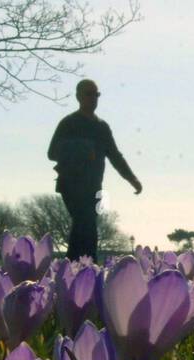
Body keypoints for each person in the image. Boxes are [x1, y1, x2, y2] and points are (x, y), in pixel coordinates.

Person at [46, 79, 142, 260]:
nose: (93, 98)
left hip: (94, 186)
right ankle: (75, 270)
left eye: (96, 94)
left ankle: (87, 271)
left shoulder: (102, 127)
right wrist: (82, 147)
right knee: (83, 224)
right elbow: (52, 153)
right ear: (78, 97)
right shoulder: (69, 123)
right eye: (88, 94)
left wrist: (132, 179)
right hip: (71, 184)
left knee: (90, 229)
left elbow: (115, 155)